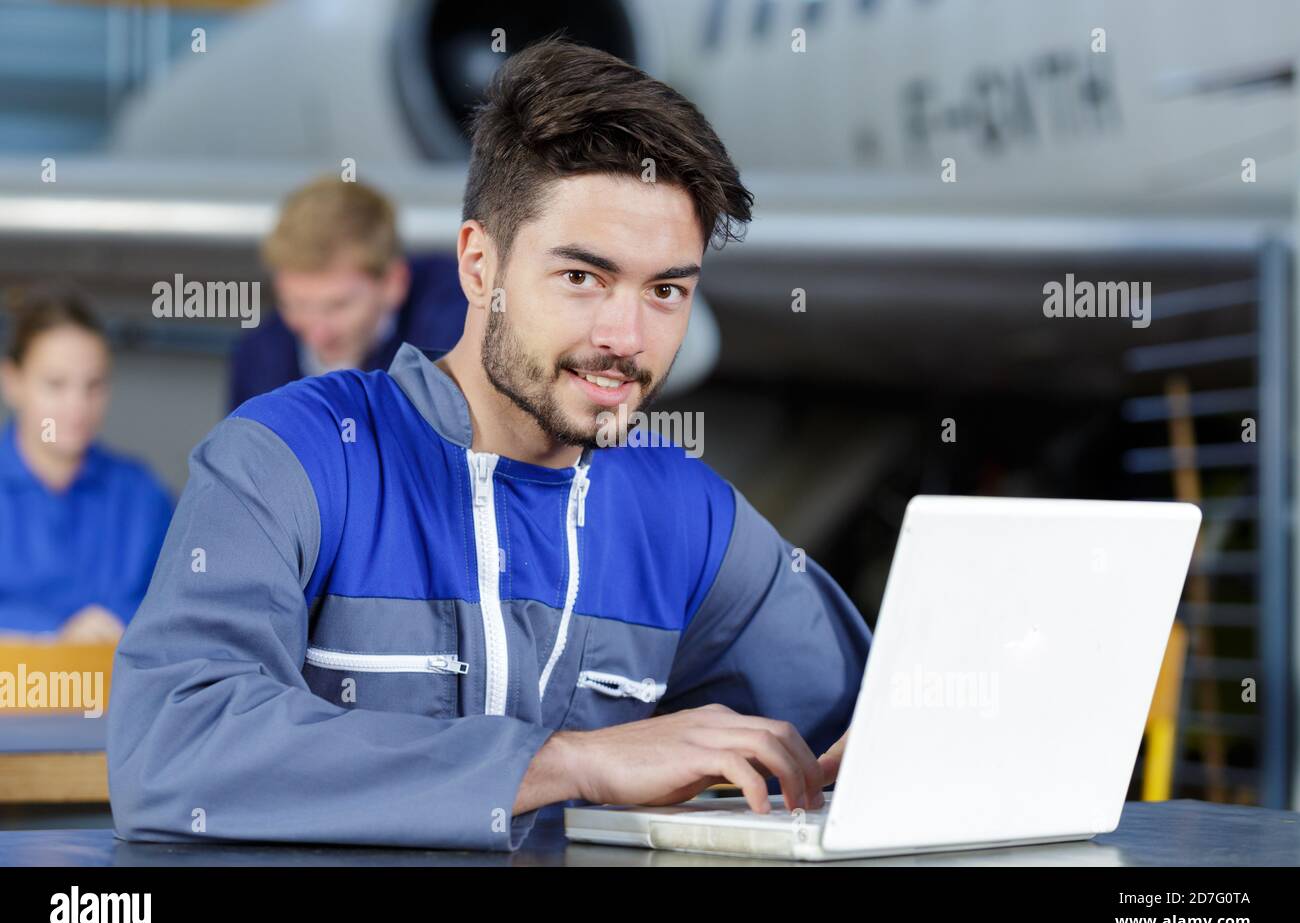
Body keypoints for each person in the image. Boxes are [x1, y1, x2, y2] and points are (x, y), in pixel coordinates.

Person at [107, 39, 872, 851]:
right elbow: (172, 746)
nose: (625, 337)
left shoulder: (688, 514)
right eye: (582, 277)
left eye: (666, 290)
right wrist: (569, 762)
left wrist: (918, 733)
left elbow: (878, 718)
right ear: (479, 265)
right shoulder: (289, 456)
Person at [0, 289, 173, 644]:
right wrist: (52, 638)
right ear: (11, 382)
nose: (77, 406)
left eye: (94, 385)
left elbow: (184, 607)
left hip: (117, 680)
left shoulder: (142, 495)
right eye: (55, 384)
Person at [227, 176, 467, 409]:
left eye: (337, 306)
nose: (318, 335)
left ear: (394, 284)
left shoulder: (458, 327)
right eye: (296, 304)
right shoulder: (259, 356)